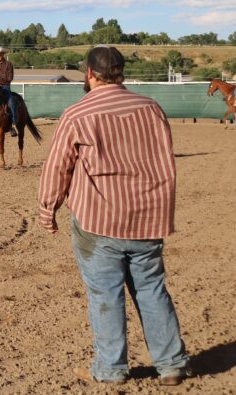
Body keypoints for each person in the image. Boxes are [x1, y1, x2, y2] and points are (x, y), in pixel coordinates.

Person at [38, 45, 191, 387]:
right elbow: (164, 161)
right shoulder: (151, 109)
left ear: (89, 74)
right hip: (147, 218)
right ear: (121, 72)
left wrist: (47, 209)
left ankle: (111, 368)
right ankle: (171, 364)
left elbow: (57, 168)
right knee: (152, 289)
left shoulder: (77, 114)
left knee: (104, 294)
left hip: (99, 220)